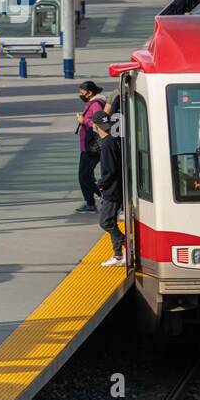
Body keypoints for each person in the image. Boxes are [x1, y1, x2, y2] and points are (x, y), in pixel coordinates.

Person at [91, 109, 125, 266]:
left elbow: (110, 170)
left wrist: (100, 184)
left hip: (112, 190)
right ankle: (118, 256)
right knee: (109, 220)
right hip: (115, 187)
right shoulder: (113, 140)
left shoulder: (107, 145)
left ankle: (126, 247)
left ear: (95, 126)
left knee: (106, 222)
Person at [74, 80, 106, 212]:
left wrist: (83, 121)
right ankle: (90, 202)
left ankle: (104, 196)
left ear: (90, 92)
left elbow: (97, 123)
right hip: (87, 146)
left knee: (84, 175)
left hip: (92, 147)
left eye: (82, 93)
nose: (81, 95)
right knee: (85, 175)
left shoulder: (96, 104)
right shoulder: (92, 103)